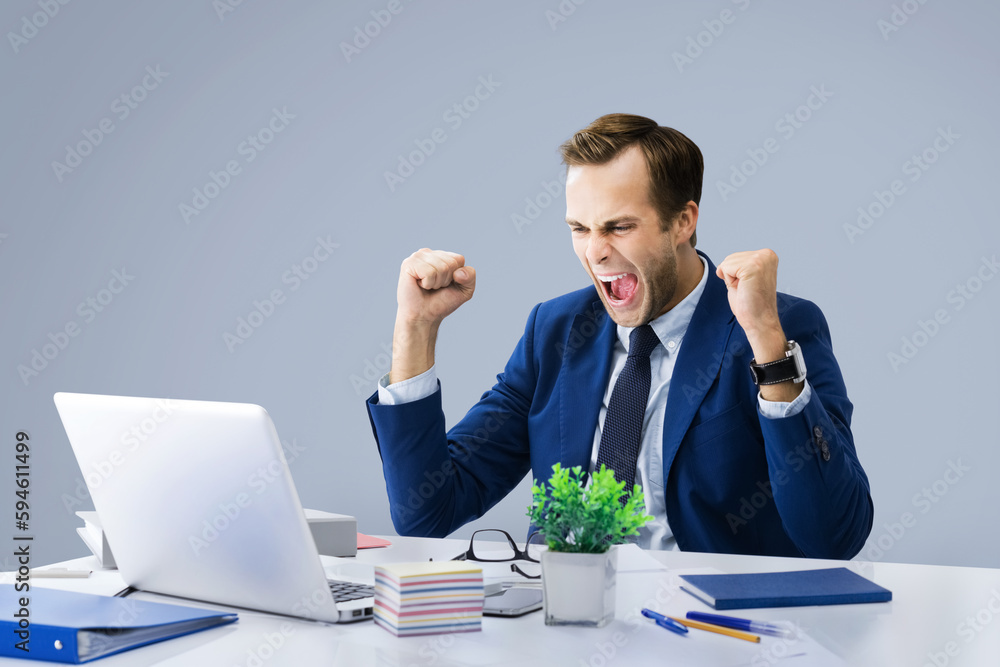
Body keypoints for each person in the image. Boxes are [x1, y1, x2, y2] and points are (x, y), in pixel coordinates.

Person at [365, 113, 873, 559]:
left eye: (618, 227)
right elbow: (426, 513)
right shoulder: (556, 331)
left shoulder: (777, 328)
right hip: (567, 618)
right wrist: (416, 328)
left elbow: (834, 536)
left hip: (709, 631)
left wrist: (767, 342)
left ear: (682, 221)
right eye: (579, 228)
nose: (595, 252)